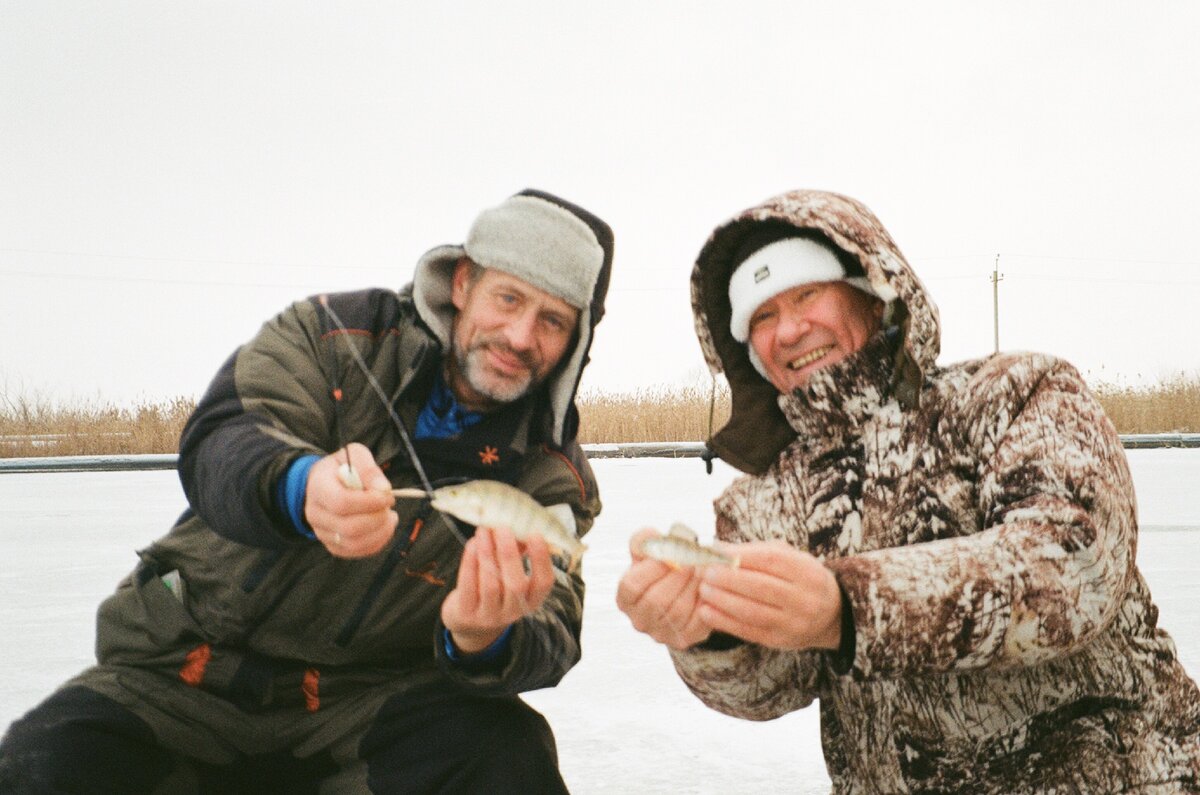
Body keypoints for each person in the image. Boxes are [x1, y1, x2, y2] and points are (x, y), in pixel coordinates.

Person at [0, 189, 614, 794]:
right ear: (461, 284)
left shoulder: (551, 474)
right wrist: (302, 488)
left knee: (506, 759)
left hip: (368, 710)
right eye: (508, 298)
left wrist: (485, 638)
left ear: (573, 342)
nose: (520, 336)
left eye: (552, 320)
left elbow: (554, 624)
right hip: (183, 677)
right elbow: (226, 435)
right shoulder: (334, 337)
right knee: (43, 767)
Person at [616, 189, 1200, 792]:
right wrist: (706, 634)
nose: (788, 330)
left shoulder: (1016, 394)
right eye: (761, 317)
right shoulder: (764, 499)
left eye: (807, 295)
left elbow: (1072, 565)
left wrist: (849, 606)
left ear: (872, 293)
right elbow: (772, 686)